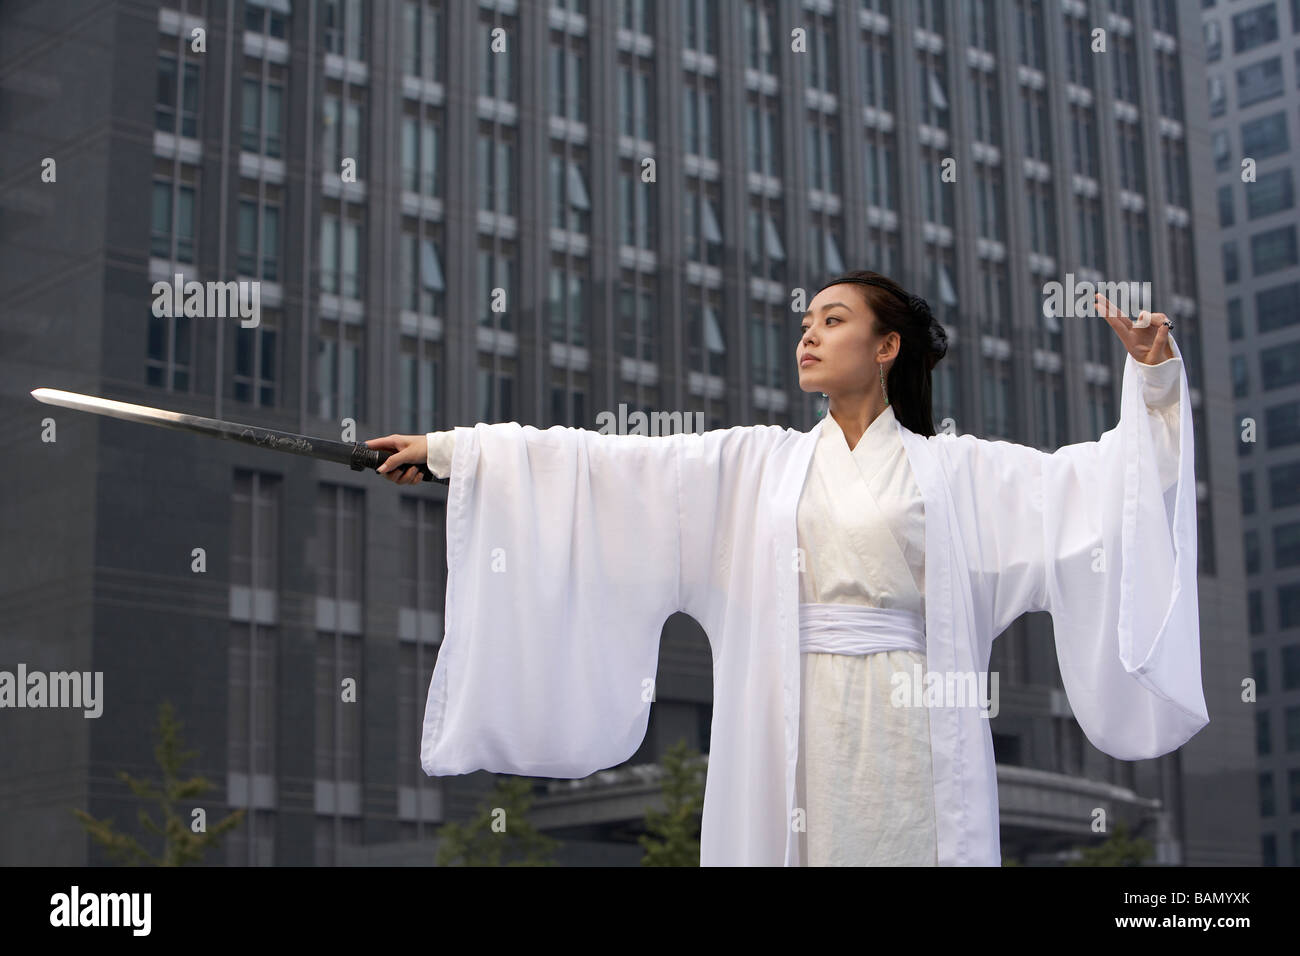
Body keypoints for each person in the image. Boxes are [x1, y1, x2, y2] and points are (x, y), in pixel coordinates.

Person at [364, 270, 1205, 866]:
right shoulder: (757, 465)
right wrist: (453, 454)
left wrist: (1152, 380)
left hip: (911, 710)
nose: (808, 333)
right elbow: (608, 466)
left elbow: (1104, 487)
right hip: (788, 709)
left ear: (887, 346)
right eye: (806, 321)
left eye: (833, 320)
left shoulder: (959, 470)